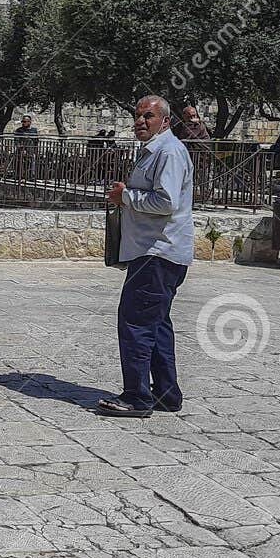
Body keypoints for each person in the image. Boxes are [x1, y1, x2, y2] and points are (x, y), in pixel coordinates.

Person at [98, 94, 195, 420]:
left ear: (165, 121)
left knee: (136, 323)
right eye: (138, 115)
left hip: (157, 253)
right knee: (156, 323)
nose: (140, 121)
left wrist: (125, 196)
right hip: (155, 253)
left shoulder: (168, 152)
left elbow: (165, 202)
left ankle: (137, 397)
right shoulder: (156, 151)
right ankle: (166, 393)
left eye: (148, 116)